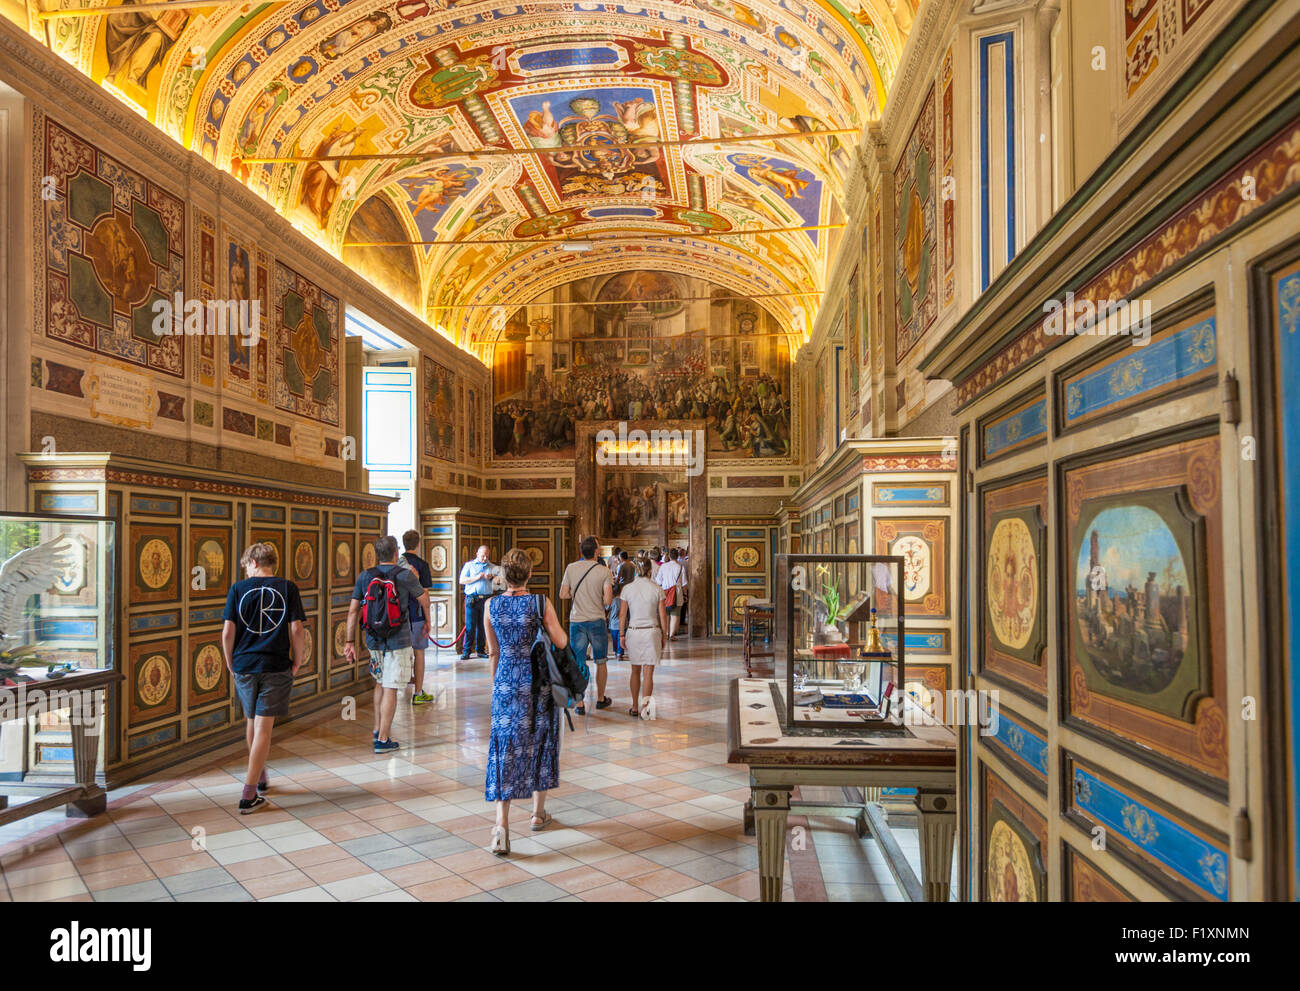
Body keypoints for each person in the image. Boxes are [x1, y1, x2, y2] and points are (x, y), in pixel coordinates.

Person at [484, 548, 570, 855]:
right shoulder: (539, 602)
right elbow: (561, 641)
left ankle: (501, 827)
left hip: (506, 680)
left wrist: (498, 686)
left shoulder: (491, 606)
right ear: (529, 575)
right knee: (540, 741)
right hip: (537, 682)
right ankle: (537, 813)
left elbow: (492, 652)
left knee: (504, 748)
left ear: (503, 577)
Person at [221, 542, 306, 814]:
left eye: (246, 565)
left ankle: (259, 776)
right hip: (275, 664)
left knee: (252, 721)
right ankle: (248, 795)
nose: (245, 570)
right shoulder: (287, 587)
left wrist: (230, 664)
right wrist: (298, 659)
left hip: (245, 665)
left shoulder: (237, 589)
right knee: (264, 728)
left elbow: (227, 633)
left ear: (255, 563)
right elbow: (296, 628)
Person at [345, 535, 431, 753]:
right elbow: (423, 599)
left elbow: (353, 611)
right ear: (396, 553)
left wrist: (349, 641)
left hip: (373, 639)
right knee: (391, 687)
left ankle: (377, 728)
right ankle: (383, 739)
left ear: (377, 554)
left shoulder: (365, 576)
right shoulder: (405, 575)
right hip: (399, 639)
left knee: (380, 683)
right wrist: (428, 621)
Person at [559, 535, 613, 714]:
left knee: (579, 661)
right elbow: (607, 600)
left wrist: (578, 595)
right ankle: (600, 698)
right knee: (601, 661)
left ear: (582, 551)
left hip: (577, 620)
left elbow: (563, 594)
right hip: (596, 620)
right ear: (596, 551)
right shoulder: (604, 571)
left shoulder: (571, 568)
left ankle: (580, 702)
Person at [619, 557, 667, 717]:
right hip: (651, 631)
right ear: (649, 570)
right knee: (648, 673)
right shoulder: (657, 588)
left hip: (634, 631)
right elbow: (662, 615)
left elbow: (622, 615)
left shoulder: (627, 589)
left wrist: (621, 634)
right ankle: (645, 708)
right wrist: (664, 634)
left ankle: (634, 706)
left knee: (634, 670)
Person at [401, 530, 436, 705]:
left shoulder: (397, 562)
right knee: (419, 653)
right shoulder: (421, 565)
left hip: (398, 616)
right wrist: (428, 619)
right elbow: (425, 595)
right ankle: (418, 692)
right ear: (419, 543)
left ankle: (395, 689)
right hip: (416, 614)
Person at [459, 545, 495, 659]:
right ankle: (467, 651)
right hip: (472, 599)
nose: (485, 558)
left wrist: (493, 578)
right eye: (483, 556)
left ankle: (480, 650)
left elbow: (500, 584)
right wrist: (477, 577)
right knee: (470, 626)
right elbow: (462, 580)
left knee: (483, 626)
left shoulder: (492, 567)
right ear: (477, 554)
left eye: (487, 556)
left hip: (486, 599)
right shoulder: (469, 565)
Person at [608, 551, 635, 661]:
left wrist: (615, 581)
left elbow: (618, 577)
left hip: (622, 588)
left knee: (621, 609)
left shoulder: (622, 565)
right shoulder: (632, 565)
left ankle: (618, 651)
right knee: (628, 609)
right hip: (631, 588)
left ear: (621, 557)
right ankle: (627, 624)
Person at [655, 547, 687, 641]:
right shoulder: (680, 567)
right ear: (677, 556)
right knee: (675, 614)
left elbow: (658, 581)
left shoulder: (663, 566)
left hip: (665, 592)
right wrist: (685, 594)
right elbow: (684, 583)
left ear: (669, 556)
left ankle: (666, 633)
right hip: (677, 593)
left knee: (666, 613)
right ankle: (671, 635)